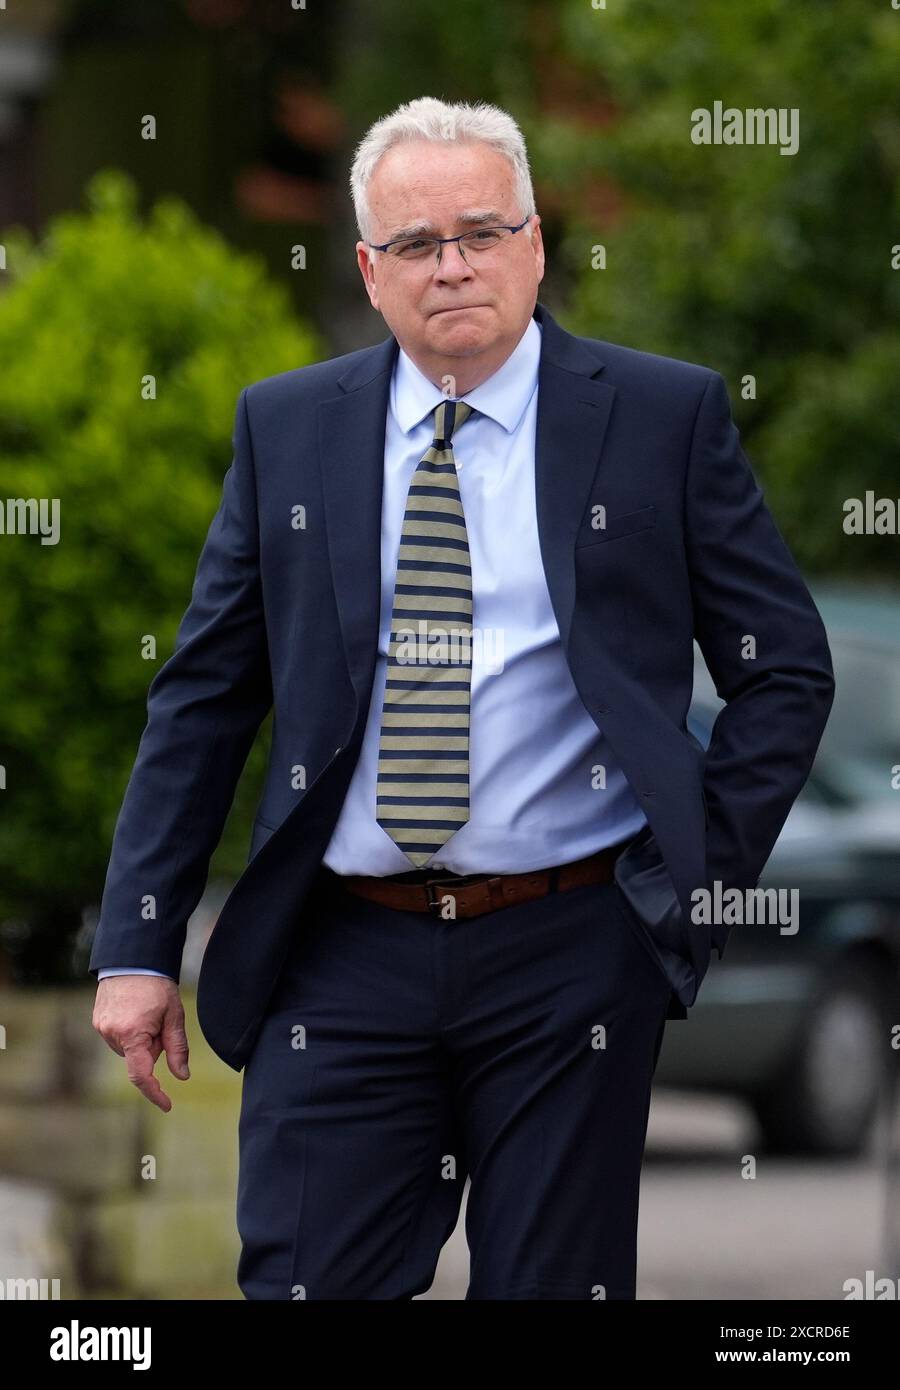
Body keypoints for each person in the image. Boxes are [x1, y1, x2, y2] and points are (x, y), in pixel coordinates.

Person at [90, 96, 835, 1300]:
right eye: (417, 246)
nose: (454, 268)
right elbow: (206, 698)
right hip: (340, 947)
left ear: (536, 244)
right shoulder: (289, 430)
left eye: (482, 234)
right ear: (368, 272)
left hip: (572, 949)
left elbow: (784, 670)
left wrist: (680, 883)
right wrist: (137, 943)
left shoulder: (659, 417)